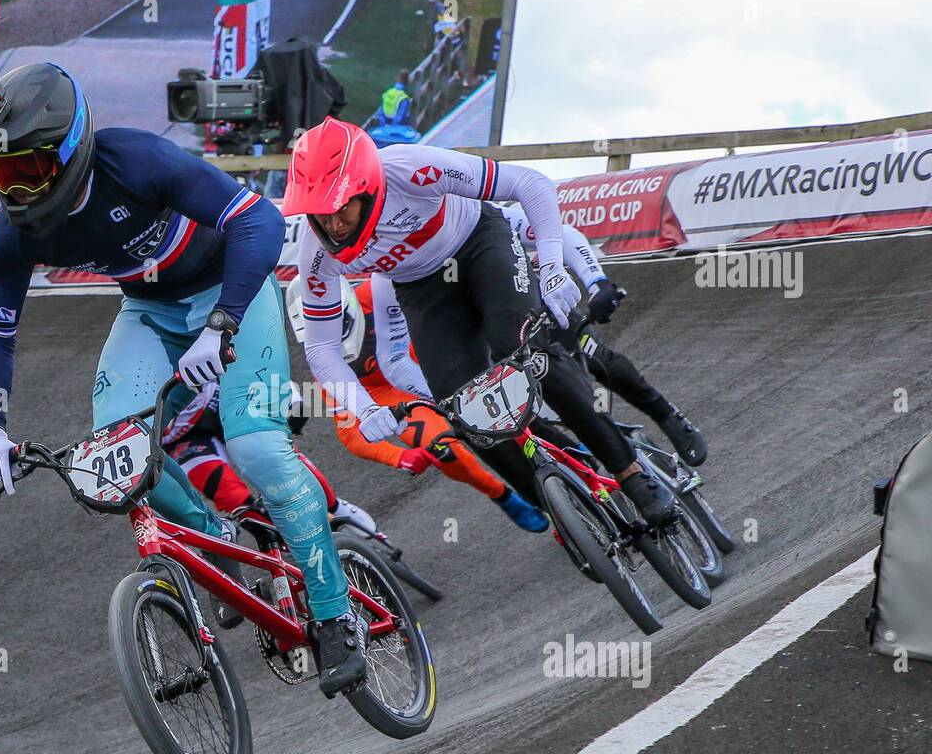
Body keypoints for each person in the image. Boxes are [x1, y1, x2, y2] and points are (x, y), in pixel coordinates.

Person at [0, 63, 366, 698]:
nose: (18, 192)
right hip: (148, 311)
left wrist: (222, 322)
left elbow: (258, 221)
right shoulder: (12, 234)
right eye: (1, 172)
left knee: (257, 446)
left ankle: (337, 614)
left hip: (234, 291)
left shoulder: (139, 161)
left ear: (70, 149)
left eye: (30, 169)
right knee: (116, 453)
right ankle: (220, 541)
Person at [283, 117, 677, 524]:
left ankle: (628, 471)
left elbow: (531, 183)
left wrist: (555, 268)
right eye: (318, 213)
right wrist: (364, 410)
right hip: (423, 290)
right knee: (465, 412)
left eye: (340, 207)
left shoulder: (411, 168)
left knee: (523, 348)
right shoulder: (316, 255)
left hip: (479, 244)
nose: (332, 224)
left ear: (368, 186)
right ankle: (567, 515)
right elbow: (321, 348)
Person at [285, 274, 549, 531]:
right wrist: (401, 456)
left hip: (424, 361)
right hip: (384, 393)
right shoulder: (324, 370)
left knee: (504, 407)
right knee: (445, 452)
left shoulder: (374, 294)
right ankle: (502, 494)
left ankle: (557, 447)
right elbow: (350, 433)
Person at [160, 378, 380, 631]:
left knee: (279, 463)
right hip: (186, 438)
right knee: (235, 501)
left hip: (224, 403)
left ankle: (335, 507)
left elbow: (250, 357)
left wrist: (290, 397)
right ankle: (291, 545)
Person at [499, 204, 708, 466]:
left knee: (596, 357)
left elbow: (563, 235)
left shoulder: (493, 214)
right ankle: (584, 474)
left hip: (544, 313)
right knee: (522, 420)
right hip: (499, 339)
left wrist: (597, 282)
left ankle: (666, 414)